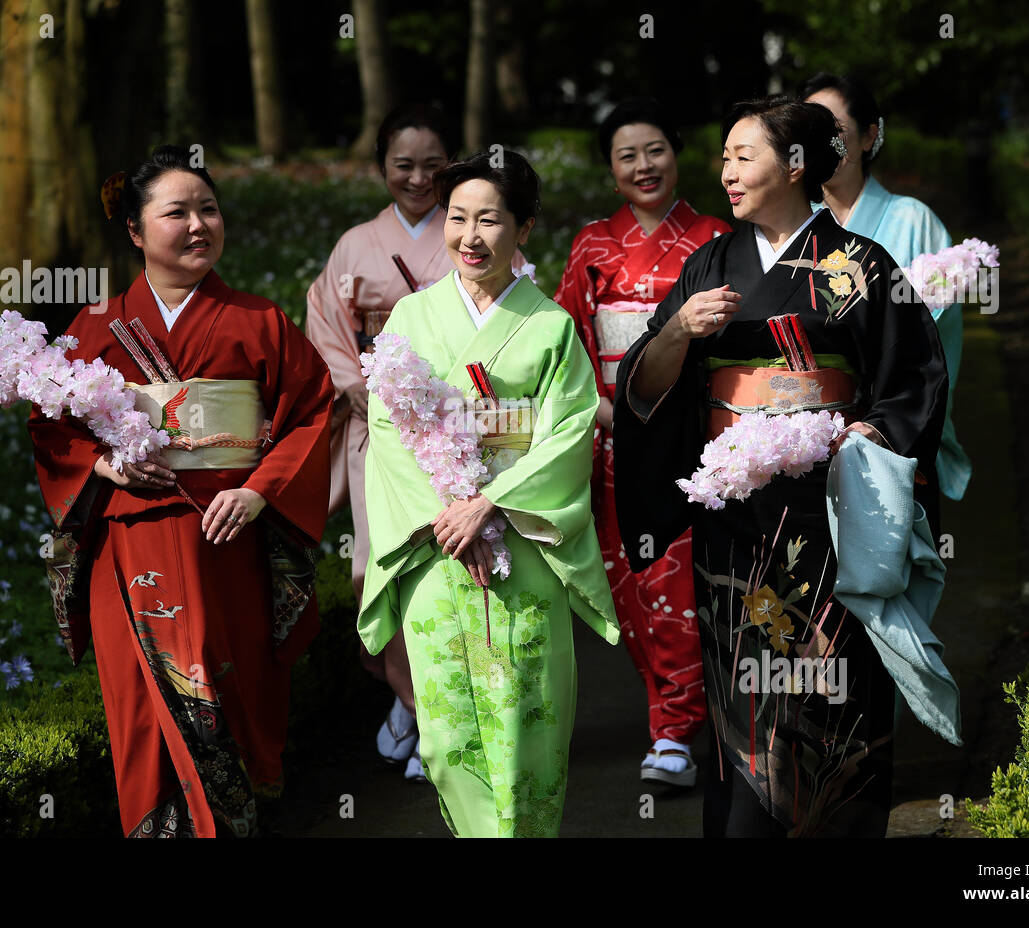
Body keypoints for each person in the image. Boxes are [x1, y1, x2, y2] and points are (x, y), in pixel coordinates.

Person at [613, 98, 947, 837]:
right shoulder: (709, 265)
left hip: (828, 510)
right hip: (734, 517)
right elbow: (644, 385)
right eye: (725, 157)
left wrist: (867, 433)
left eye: (744, 156)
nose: (726, 172)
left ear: (795, 166)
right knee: (744, 688)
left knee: (831, 687)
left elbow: (914, 377)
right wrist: (677, 330)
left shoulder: (858, 263)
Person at [28, 145, 334, 837]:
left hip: (226, 541)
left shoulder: (260, 323)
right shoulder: (97, 325)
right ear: (135, 232)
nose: (199, 224)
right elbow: (50, 423)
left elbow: (314, 412)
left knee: (229, 692)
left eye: (209, 209)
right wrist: (104, 466)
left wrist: (259, 491)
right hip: (128, 544)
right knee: (144, 712)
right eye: (177, 213)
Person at [358, 150, 619, 837]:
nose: (471, 237)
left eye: (491, 220)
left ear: (524, 228)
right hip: (437, 547)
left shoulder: (551, 326)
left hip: (521, 546)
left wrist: (493, 505)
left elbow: (567, 435)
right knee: (447, 734)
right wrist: (449, 511)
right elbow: (387, 433)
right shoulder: (411, 317)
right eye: (457, 218)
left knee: (526, 716)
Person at [305, 104, 531, 779]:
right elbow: (324, 321)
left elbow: (515, 311)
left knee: (465, 574)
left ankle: (451, 721)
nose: (418, 177)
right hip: (381, 426)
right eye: (402, 165)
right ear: (382, 170)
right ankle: (416, 699)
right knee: (375, 572)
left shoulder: (478, 229)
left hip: (463, 428)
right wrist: (357, 384)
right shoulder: (355, 245)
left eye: (432, 164)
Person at [553, 97, 731, 788]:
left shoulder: (716, 236)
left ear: (677, 153)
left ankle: (675, 732)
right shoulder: (593, 244)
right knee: (629, 583)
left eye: (654, 149)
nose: (642, 165)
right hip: (611, 432)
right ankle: (672, 715)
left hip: (688, 437)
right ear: (610, 168)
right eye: (626, 155)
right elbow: (568, 342)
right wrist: (604, 415)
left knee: (678, 583)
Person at [802, 72, 971, 520]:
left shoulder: (915, 220)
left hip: (888, 432)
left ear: (869, 135)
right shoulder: (792, 227)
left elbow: (934, 339)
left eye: (834, 130)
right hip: (805, 436)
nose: (823, 143)